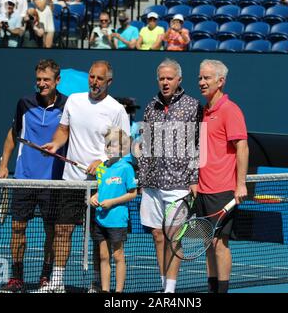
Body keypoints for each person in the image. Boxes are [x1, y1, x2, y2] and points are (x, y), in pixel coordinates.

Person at [38, 60, 131, 293]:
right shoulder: (74, 101)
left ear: (109, 81)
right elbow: (63, 131)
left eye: (100, 78)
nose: (94, 82)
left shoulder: (117, 110)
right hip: (72, 180)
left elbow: (123, 148)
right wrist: (55, 144)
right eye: (91, 77)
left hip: (101, 185)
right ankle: (57, 282)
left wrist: (101, 161)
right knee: (62, 230)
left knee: (99, 239)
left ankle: (98, 284)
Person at [0, 59, 68, 293]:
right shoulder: (24, 103)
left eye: (46, 79)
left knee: (52, 231)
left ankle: (45, 277)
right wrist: (3, 164)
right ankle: (17, 277)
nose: (41, 84)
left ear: (57, 80)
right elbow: (13, 133)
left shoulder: (68, 105)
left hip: (53, 182)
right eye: (38, 79)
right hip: (24, 177)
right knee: (17, 228)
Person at [138, 58, 202, 293]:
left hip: (179, 184)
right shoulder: (150, 106)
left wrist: (194, 178)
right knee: (157, 236)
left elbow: (198, 145)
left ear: (179, 80)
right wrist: (143, 180)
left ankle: (170, 291)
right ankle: (163, 284)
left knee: (174, 237)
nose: (165, 82)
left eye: (169, 78)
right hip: (153, 184)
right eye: (162, 78)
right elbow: (145, 145)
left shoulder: (193, 106)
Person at [196, 59, 249, 293]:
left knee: (219, 243)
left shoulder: (231, 110)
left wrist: (240, 185)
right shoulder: (203, 111)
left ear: (221, 81)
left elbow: (242, 147)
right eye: (200, 77)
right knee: (208, 242)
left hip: (224, 189)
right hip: (203, 189)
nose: (201, 82)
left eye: (207, 78)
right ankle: (212, 288)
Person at [90, 127, 138, 293]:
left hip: (117, 220)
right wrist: (94, 197)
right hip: (100, 219)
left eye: (114, 145)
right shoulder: (102, 168)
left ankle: (118, 292)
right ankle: (105, 290)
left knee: (118, 256)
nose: (110, 148)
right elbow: (102, 189)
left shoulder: (126, 167)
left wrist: (112, 202)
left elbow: (133, 193)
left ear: (123, 149)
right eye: (108, 145)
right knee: (104, 256)